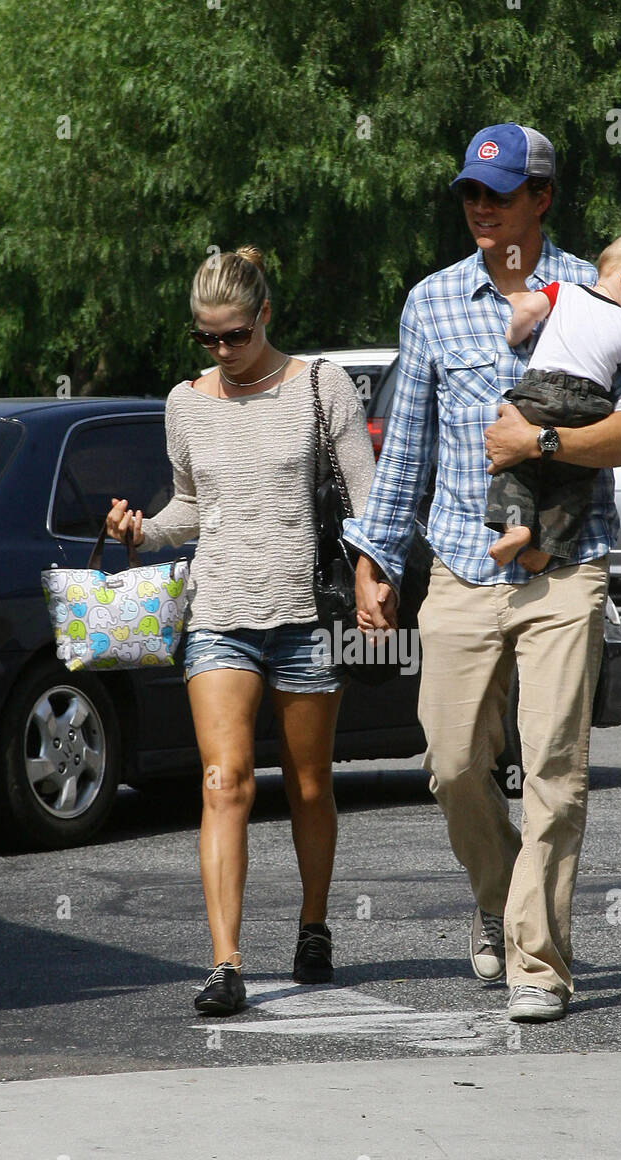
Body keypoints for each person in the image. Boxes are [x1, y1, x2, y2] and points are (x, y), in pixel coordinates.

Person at [346, 124, 621, 1023]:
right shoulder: (432, 302)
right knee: (452, 763)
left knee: (556, 771)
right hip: (458, 561)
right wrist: (374, 556)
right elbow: (403, 441)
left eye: (498, 193)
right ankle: (496, 896)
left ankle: (537, 961)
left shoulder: (603, 291)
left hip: (567, 566)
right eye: (469, 194)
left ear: (542, 200)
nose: (480, 208)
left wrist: (543, 440)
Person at [106, 246, 375, 1017]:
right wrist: (141, 531)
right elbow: (189, 507)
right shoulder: (185, 403)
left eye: (234, 335)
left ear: (265, 315)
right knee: (222, 783)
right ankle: (225, 963)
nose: (222, 351)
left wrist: (370, 579)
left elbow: (365, 502)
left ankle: (314, 923)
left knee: (309, 785)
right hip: (219, 611)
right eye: (207, 339)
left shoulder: (321, 387)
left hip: (302, 615)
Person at [487, 232, 621, 568]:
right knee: (575, 476)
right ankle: (548, 545)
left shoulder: (563, 292)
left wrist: (516, 334)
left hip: (540, 392)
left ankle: (515, 526)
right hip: (589, 405)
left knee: (515, 463)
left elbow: (527, 309)